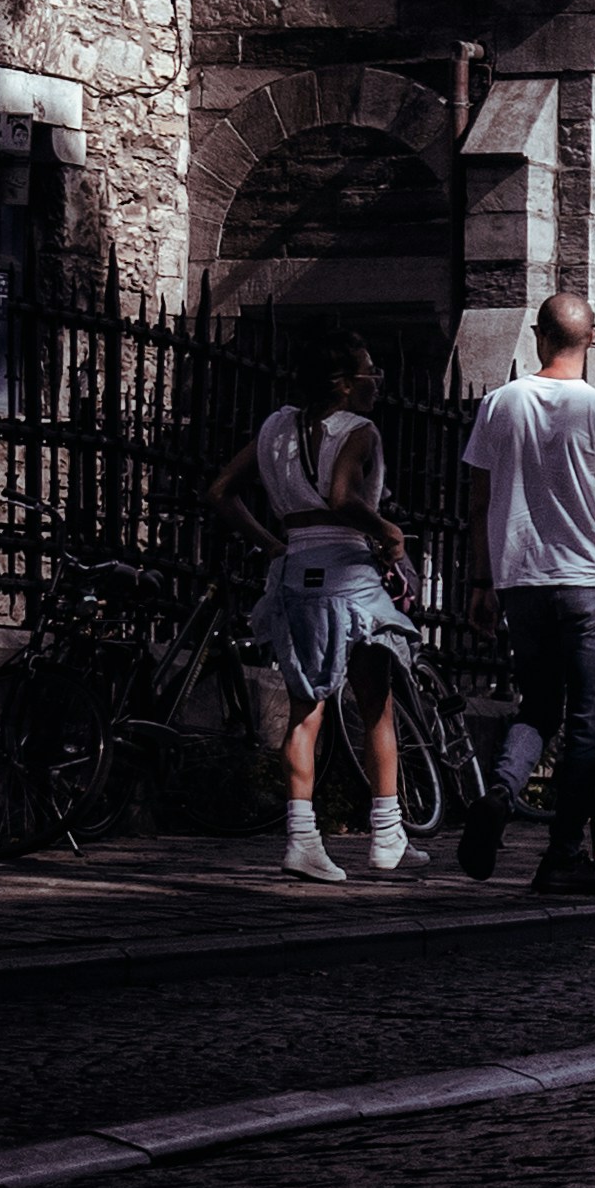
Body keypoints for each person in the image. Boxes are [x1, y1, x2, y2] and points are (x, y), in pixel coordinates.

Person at [460, 292, 595, 893]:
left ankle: (501, 790)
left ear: (538, 337)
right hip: (589, 583)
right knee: (592, 721)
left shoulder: (499, 404)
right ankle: (562, 854)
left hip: (522, 580)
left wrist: (480, 581)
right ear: (590, 341)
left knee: (537, 707)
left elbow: (477, 502)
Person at [219, 330, 417, 878]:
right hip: (349, 572)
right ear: (347, 384)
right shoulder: (360, 430)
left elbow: (220, 492)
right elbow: (341, 495)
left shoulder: (274, 428)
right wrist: (388, 532)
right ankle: (386, 834)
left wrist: (274, 543)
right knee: (376, 701)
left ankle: (301, 838)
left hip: (294, 575)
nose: (378, 380)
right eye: (370, 370)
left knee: (307, 708)